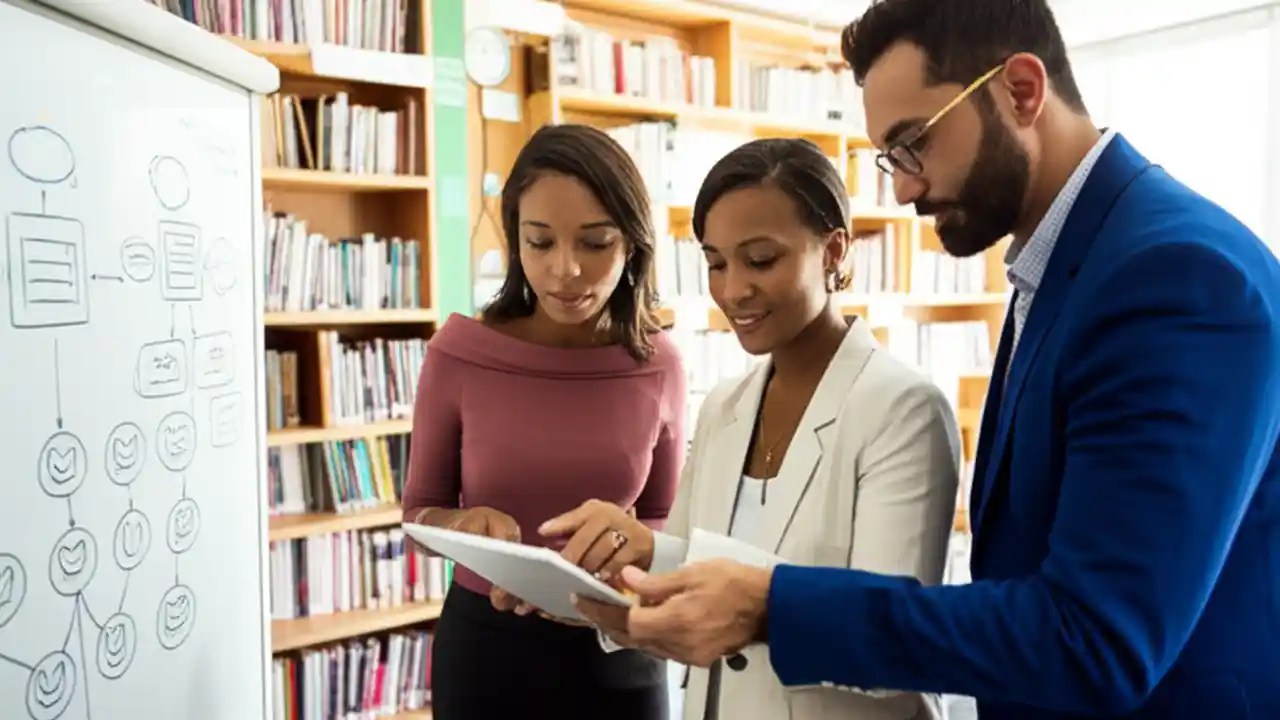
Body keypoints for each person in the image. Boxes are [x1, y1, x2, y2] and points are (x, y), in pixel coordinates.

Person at [568, 1, 1280, 719]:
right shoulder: (1067, 265)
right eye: (890, 157)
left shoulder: (1174, 276)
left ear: (1021, 91)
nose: (904, 188)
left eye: (916, 144)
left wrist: (771, 608)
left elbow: (1096, 639)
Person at [539, 137, 962, 719]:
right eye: (716, 263)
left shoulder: (902, 410)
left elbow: (894, 644)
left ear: (834, 251)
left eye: (761, 259)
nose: (733, 289)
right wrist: (598, 584)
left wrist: (746, 607)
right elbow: (683, 570)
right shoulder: (724, 406)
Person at [400, 123, 686, 719]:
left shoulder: (659, 364)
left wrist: (625, 551)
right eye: (540, 242)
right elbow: (417, 516)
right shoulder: (458, 355)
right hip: (488, 653)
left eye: (594, 243)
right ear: (515, 242)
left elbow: (664, 519)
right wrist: (461, 525)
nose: (565, 271)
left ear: (632, 243)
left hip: (619, 646)